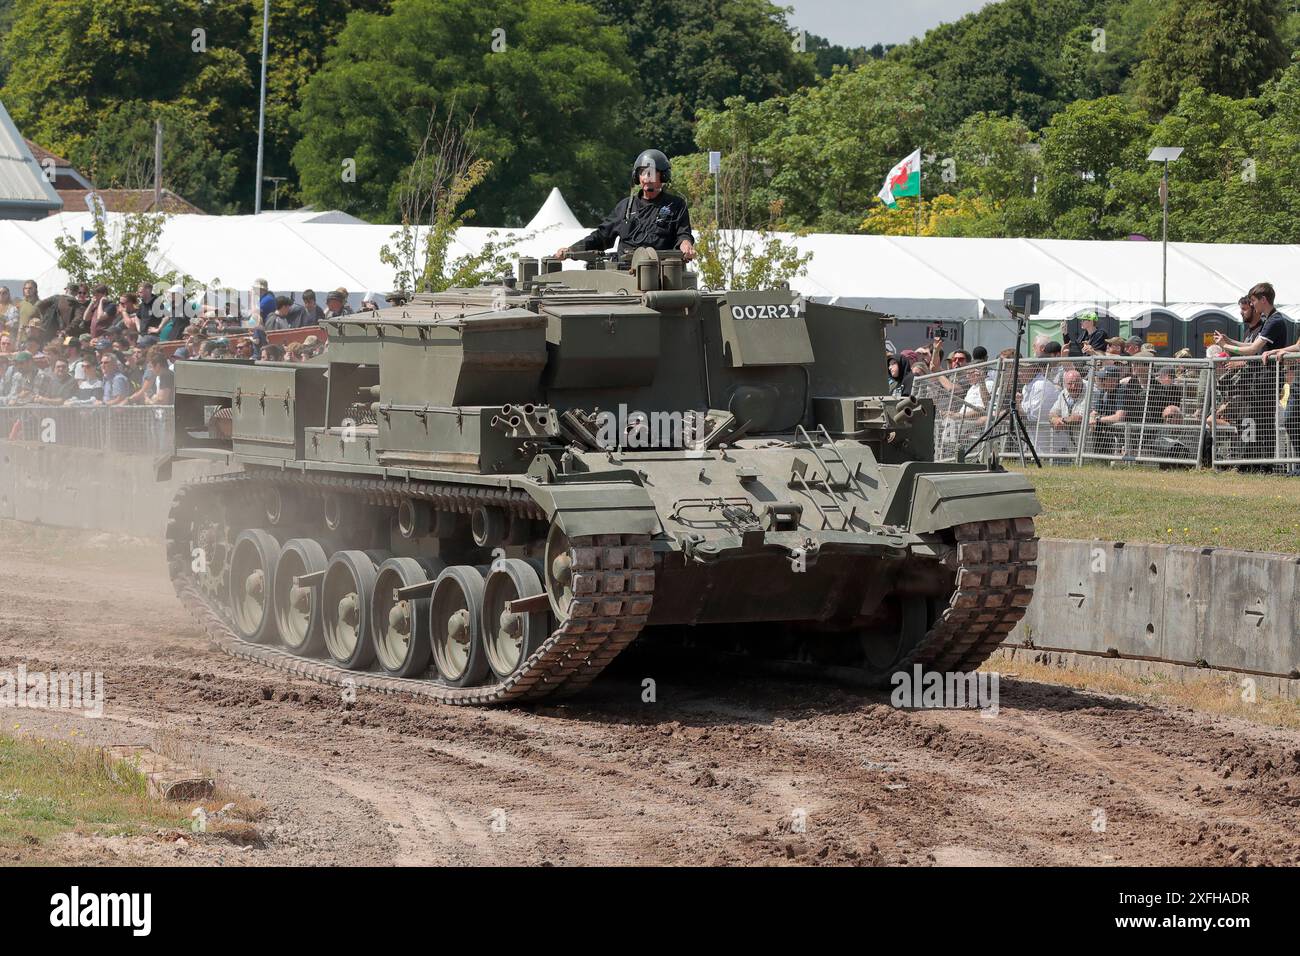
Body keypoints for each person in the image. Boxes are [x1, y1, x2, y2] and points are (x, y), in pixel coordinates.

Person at [555, 149, 696, 262]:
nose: (647, 178)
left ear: (663, 176)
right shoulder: (624, 207)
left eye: (652, 172)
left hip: (661, 275)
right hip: (624, 274)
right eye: (643, 173)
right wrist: (571, 250)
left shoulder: (675, 205)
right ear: (637, 177)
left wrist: (685, 244)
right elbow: (601, 237)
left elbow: (683, 234)